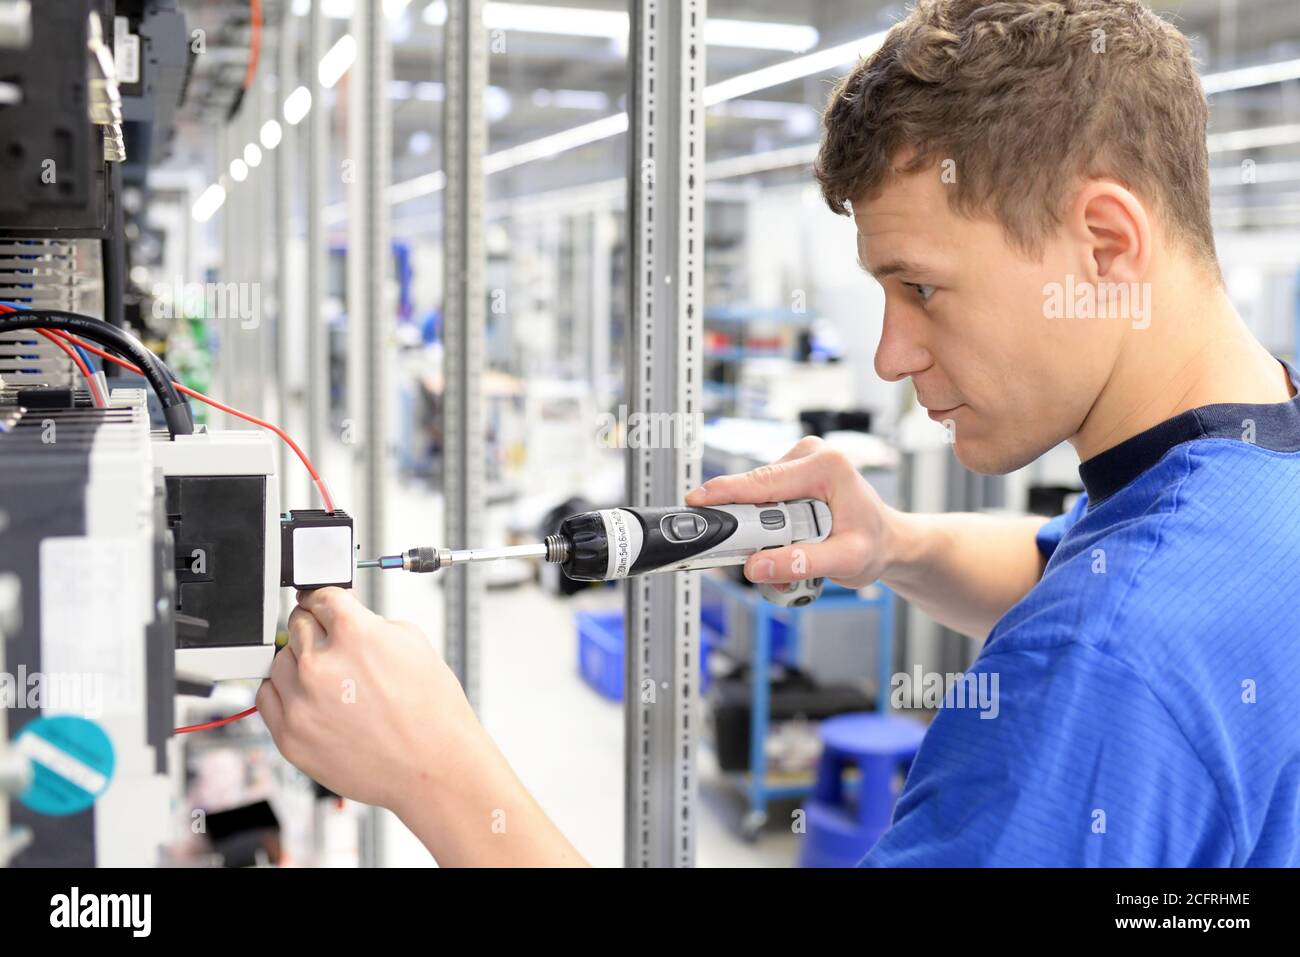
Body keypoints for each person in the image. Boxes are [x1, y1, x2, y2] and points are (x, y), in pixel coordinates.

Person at [257, 0, 1300, 866]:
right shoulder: (1252, 455)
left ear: (1106, 242)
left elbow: (1110, 626)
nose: (889, 355)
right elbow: (1081, 566)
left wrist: (434, 775)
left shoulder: (1100, 671)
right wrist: (893, 543)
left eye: (923, 288)